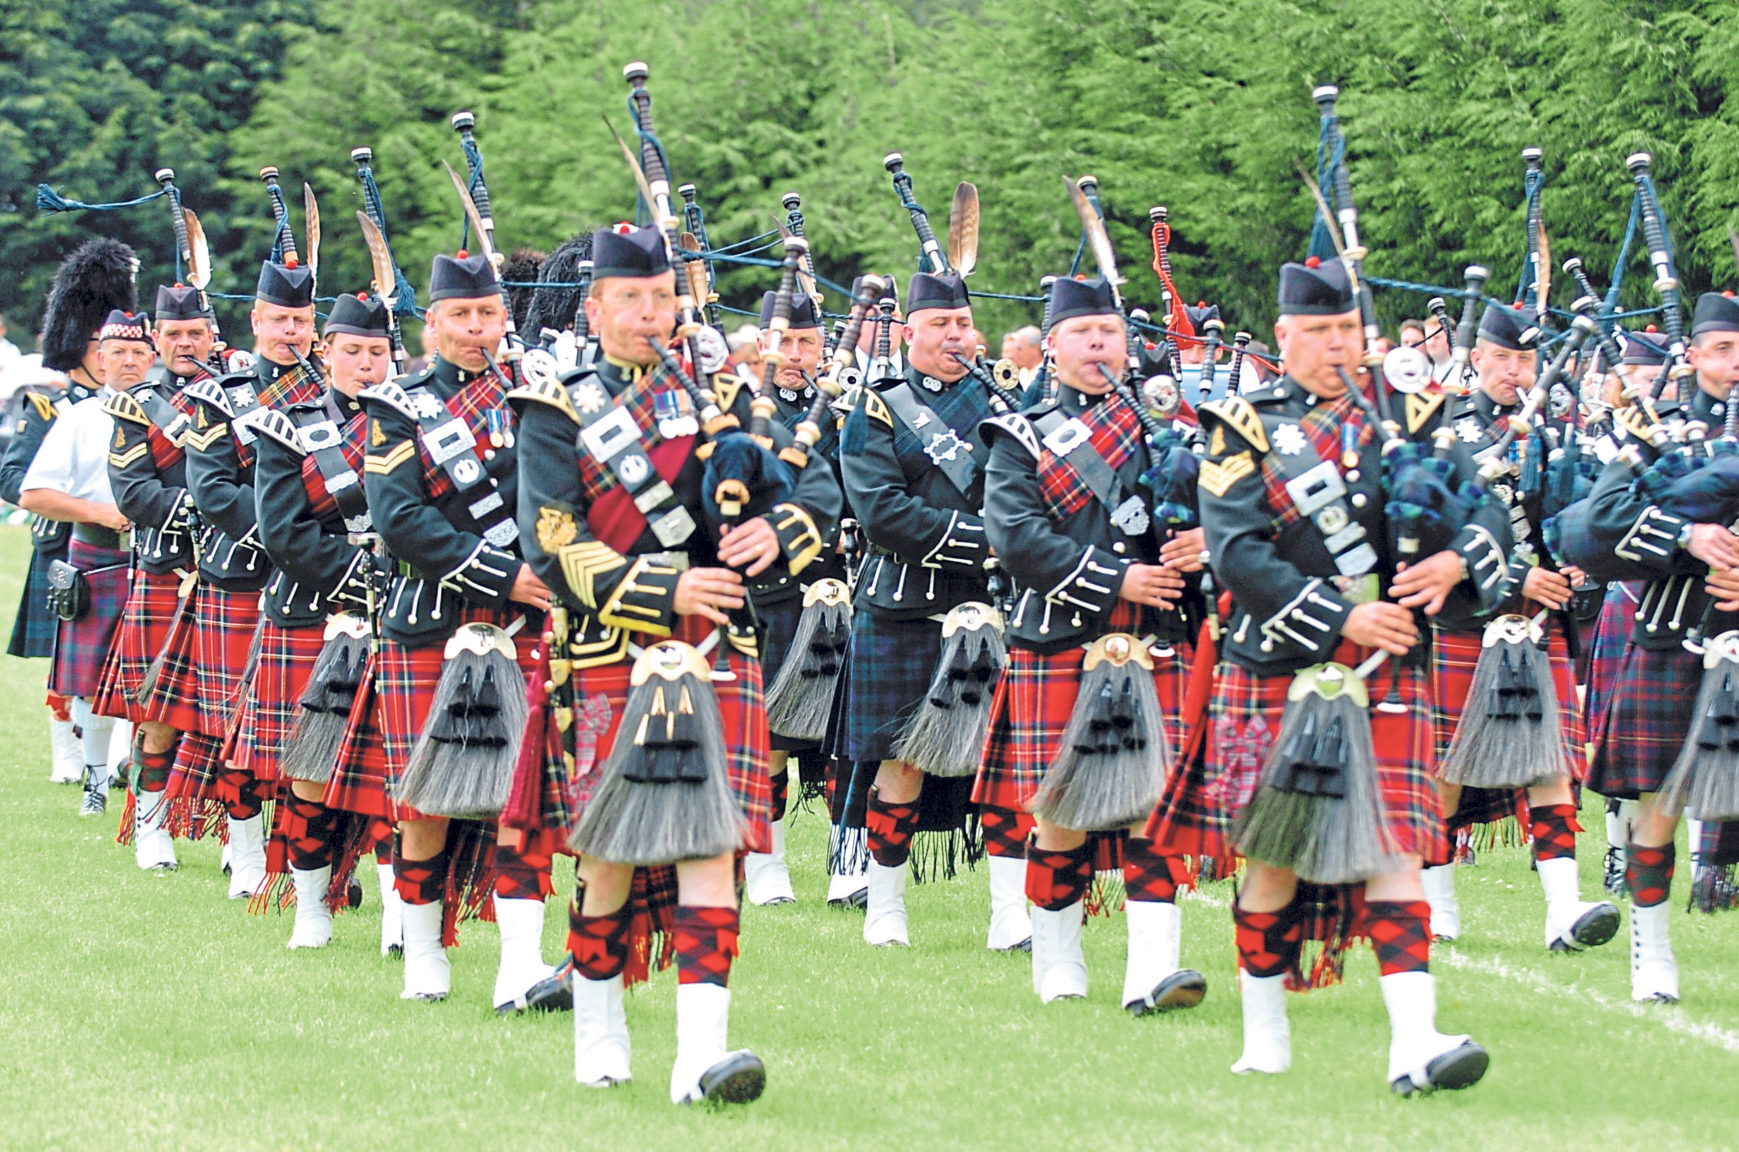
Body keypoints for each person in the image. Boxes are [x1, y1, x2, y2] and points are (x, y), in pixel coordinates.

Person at [513, 225, 837, 1101]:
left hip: (716, 654)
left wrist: (778, 527)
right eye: (629, 298)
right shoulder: (556, 406)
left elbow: (815, 492)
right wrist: (667, 589)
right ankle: (600, 1033)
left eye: (659, 298)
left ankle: (700, 1061)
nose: (646, 313)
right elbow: (552, 545)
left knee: (711, 847)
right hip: (608, 652)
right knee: (607, 855)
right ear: (595, 307)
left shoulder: (723, 397)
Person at [1189, 257, 1509, 1093]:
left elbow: (1489, 517)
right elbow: (1236, 553)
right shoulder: (1240, 426)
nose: (1336, 347)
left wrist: (1451, 563)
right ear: (1284, 335)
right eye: (1319, 332)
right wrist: (1339, 617)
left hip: (1390, 667)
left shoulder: (1409, 415)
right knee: (1272, 857)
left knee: (1397, 845)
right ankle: (1263, 1033)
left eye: (1347, 332)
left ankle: (1416, 1042)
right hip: (1277, 667)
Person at [978, 274, 1208, 1011]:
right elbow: (1014, 539)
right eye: (1083, 333)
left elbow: (1219, 516)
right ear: (1051, 346)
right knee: (1058, 812)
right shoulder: (1019, 433)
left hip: (1154, 640)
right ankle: (1058, 963)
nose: (1099, 344)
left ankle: (1151, 973)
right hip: (1060, 640)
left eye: (1109, 332)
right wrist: (1116, 581)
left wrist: (1205, 541)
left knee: (1154, 804)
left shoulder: (1168, 432)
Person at [360, 252, 558, 1010]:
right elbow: (398, 518)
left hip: (526, 621)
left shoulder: (535, 395)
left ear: (504, 317)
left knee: (525, 795)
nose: (476, 329)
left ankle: (520, 964)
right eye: (460, 316)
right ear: (432, 322)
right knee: (424, 801)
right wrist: (502, 573)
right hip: (432, 622)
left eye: (488, 314)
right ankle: (421, 953)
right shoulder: (396, 407)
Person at [1421, 303, 1619, 951]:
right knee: (1446, 766)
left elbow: (1573, 510)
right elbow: (1435, 534)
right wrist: (1511, 579)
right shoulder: (1442, 429)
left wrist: (1581, 561)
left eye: (1525, 360)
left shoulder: (1554, 429)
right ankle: (1437, 904)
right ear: (1475, 357)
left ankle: (1563, 911)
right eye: (1503, 358)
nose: (1515, 371)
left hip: (1539, 622)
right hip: (1466, 617)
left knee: (1550, 761)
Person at [1563, 290, 1739, 1002]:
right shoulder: (1652, 431)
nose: (1734, 363)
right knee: (1662, 803)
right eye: (1722, 349)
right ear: (1692, 354)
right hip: (1678, 628)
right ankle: (1652, 949)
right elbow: (1595, 523)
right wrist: (1687, 536)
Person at [142, 258, 325, 900]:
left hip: (314, 583)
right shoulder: (221, 394)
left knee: (311, 730)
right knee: (238, 728)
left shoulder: (332, 394)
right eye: (279, 319)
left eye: (301, 320)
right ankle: (243, 855)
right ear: (255, 320)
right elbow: (212, 488)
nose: (290, 331)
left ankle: (312, 865)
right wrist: (285, 535)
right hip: (241, 577)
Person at [836, 269, 1002, 949]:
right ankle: (885, 906)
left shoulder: (1007, 403)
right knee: (897, 759)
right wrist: (991, 543)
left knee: (1002, 760)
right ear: (909, 334)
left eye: (962, 323)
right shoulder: (876, 408)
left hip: (991, 608)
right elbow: (880, 513)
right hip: (902, 605)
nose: (954, 335)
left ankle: (1011, 911)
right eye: (940, 324)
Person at [244, 292, 397, 950]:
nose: (366, 364)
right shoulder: (286, 422)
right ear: (325, 351)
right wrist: (361, 579)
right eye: (353, 351)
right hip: (312, 608)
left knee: (395, 768)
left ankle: (399, 913)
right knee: (307, 768)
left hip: (399, 614)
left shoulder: (414, 420)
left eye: (378, 352)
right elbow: (281, 531)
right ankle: (312, 904)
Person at [1, 238, 136, 786]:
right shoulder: (46, 405)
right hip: (61, 541)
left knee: (117, 657)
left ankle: (113, 756)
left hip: (123, 545)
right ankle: (68, 750)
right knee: (70, 663)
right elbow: (12, 477)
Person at [95, 284, 213, 869]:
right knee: (159, 712)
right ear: (156, 342)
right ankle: (151, 826)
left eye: (195, 332)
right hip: (167, 568)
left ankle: (234, 841)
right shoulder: (134, 404)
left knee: (229, 711)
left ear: (212, 335)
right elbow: (134, 491)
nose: (185, 342)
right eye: (172, 334)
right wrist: (212, 510)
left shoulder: (238, 396)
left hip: (237, 572)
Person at [19, 308, 145, 817]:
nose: (129, 361)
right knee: (92, 682)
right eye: (118, 351)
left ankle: (139, 786)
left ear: (152, 356)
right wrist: (98, 511)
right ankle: (94, 783)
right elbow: (33, 492)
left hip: (162, 562)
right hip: (96, 554)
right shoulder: (78, 417)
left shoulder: (174, 414)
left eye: (139, 351)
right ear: (100, 358)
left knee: (147, 683)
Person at [742, 288, 838, 905]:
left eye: (807, 342)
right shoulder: (742, 413)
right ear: (762, 347)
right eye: (785, 342)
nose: (795, 355)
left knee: (841, 734)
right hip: (768, 586)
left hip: (834, 587)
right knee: (770, 731)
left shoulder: (847, 407)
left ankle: (848, 857)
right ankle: (766, 862)